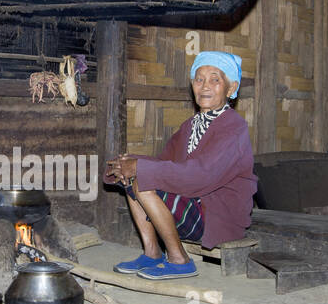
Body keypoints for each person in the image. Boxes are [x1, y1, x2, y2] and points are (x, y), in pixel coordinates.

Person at [104, 51, 258, 280]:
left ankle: (180, 260)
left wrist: (141, 167)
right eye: (199, 79)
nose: (205, 86)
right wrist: (128, 163)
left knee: (144, 180)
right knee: (135, 177)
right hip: (196, 200)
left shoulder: (233, 128)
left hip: (218, 214)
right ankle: (152, 253)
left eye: (215, 80)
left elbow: (201, 176)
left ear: (230, 88)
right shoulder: (190, 126)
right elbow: (168, 164)